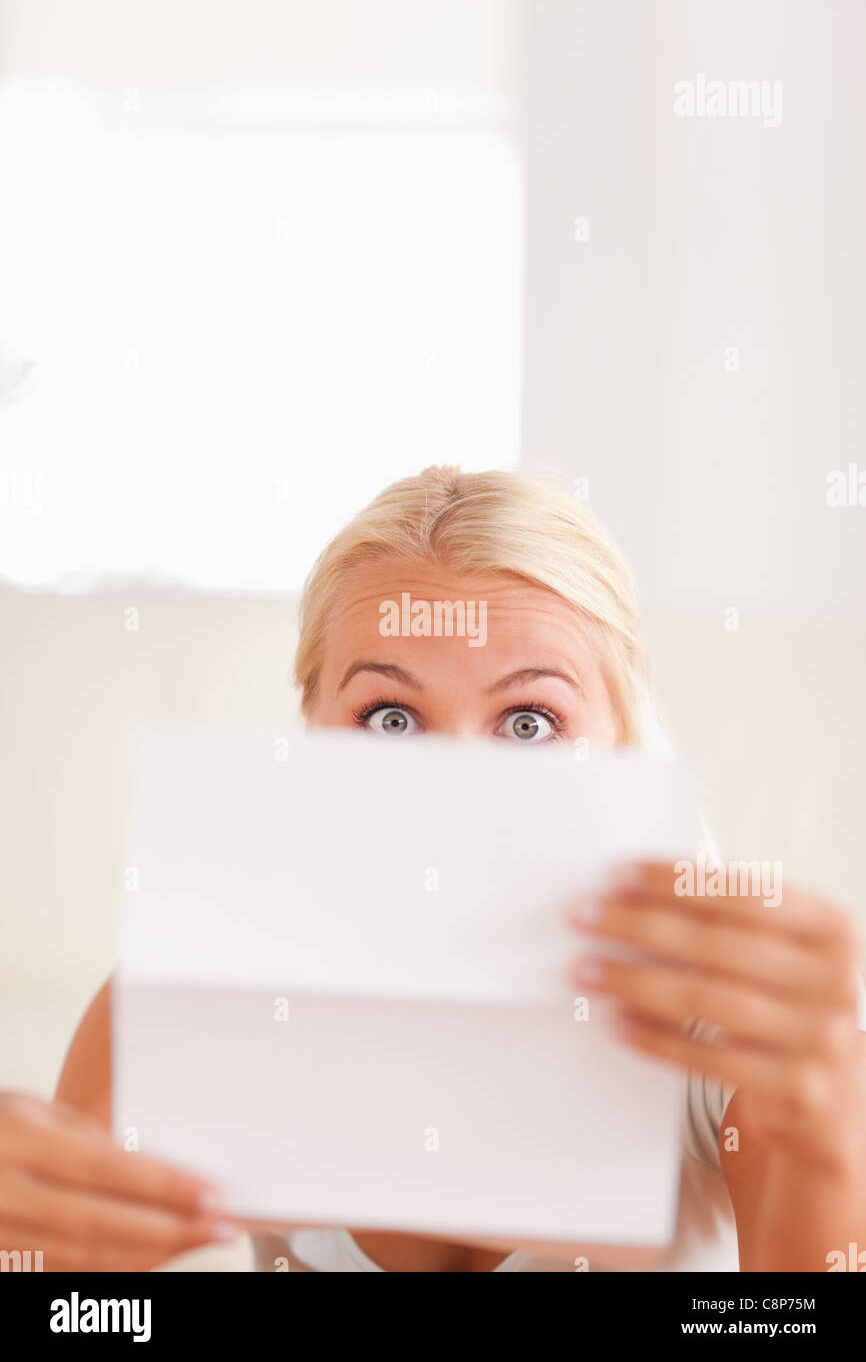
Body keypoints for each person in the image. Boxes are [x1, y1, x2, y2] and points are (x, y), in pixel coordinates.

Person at [5, 465, 865, 1271]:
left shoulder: (735, 1030)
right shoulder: (186, 1003)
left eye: (529, 722)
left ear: (622, 742)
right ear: (312, 736)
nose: (456, 784)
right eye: (390, 719)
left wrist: (822, 1134)